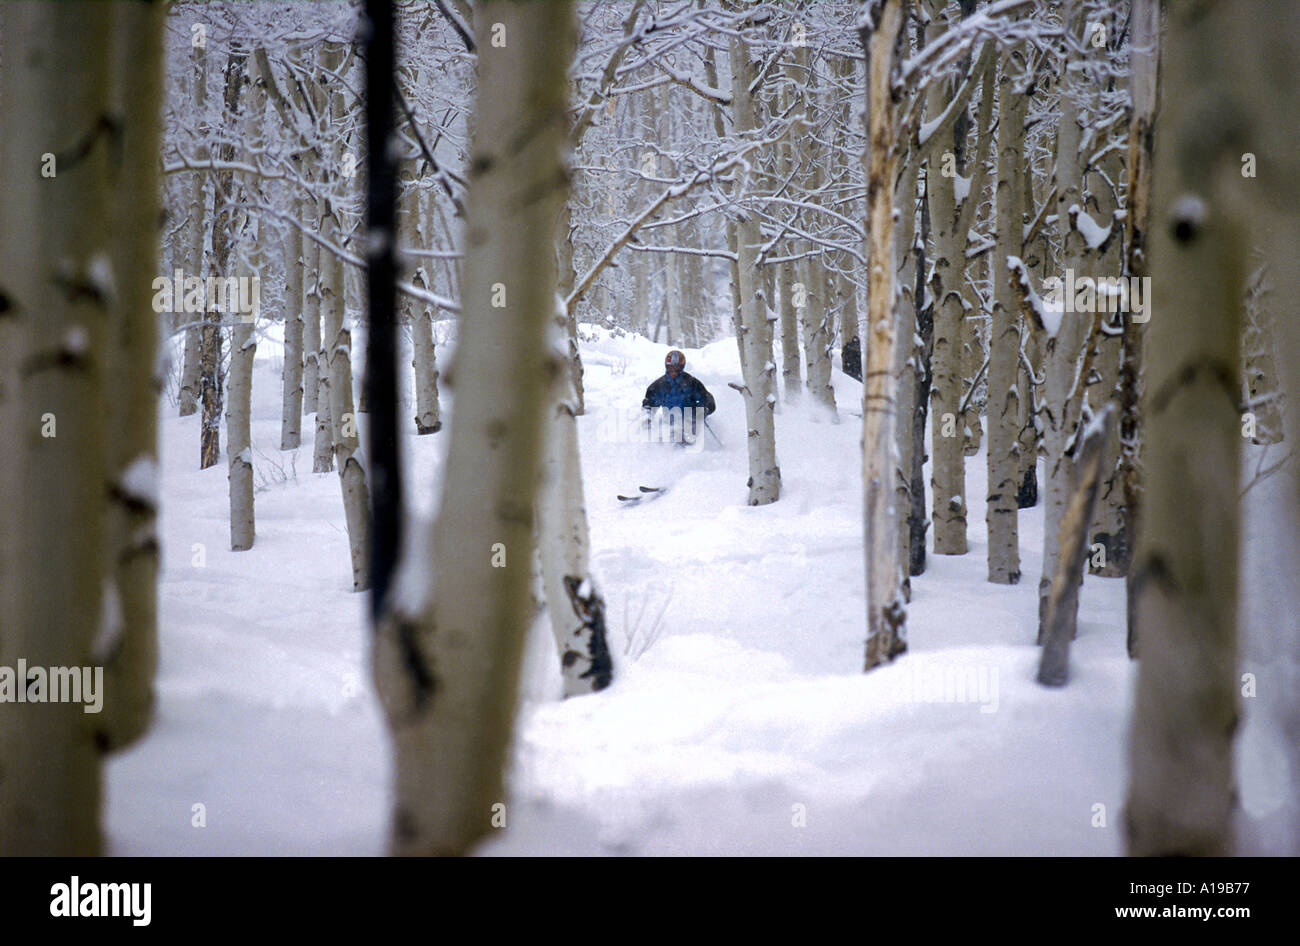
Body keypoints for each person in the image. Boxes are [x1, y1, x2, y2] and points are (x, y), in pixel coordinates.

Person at [642, 350, 715, 444]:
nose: (673, 372)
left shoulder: (692, 383)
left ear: (682, 367)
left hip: (691, 425)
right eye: (670, 368)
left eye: (676, 368)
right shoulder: (658, 386)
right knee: (664, 443)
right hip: (669, 425)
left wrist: (703, 411)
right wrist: (647, 417)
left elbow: (709, 401)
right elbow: (648, 405)